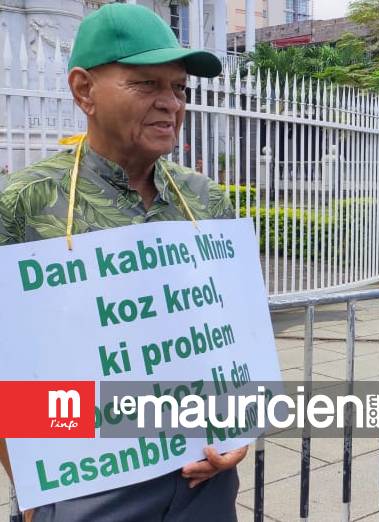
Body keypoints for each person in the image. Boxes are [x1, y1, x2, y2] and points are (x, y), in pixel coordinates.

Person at [0, 5, 242, 521]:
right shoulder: (27, 202)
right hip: (86, 482)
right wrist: (33, 492)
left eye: (179, 88)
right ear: (84, 90)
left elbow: (234, 335)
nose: (169, 104)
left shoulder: (206, 199)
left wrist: (238, 430)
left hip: (203, 476)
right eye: (146, 84)